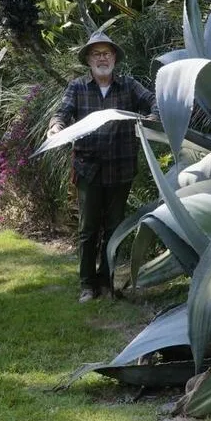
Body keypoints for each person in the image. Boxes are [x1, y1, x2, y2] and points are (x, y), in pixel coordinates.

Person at [47, 31, 156, 303]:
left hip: (121, 169)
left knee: (114, 228)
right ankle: (87, 285)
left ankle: (107, 283)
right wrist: (55, 127)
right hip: (88, 170)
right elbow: (61, 113)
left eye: (107, 53)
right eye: (97, 54)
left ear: (115, 57)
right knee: (88, 229)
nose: (102, 58)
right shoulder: (77, 88)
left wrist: (153, 117)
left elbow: (155, 101)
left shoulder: (129, 86)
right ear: (88, 59)